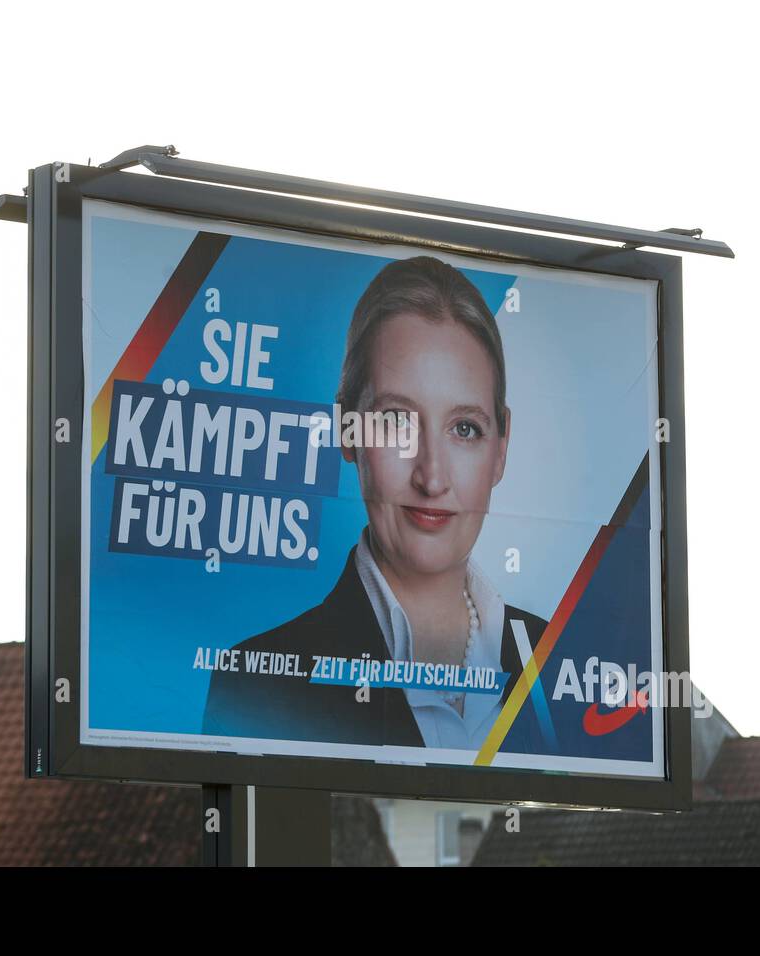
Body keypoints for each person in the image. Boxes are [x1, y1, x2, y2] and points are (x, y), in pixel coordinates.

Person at [202, 256, 547, 750]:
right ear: (348, 430)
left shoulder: (557, 663)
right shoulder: (256, 686)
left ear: (502, 445)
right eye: (397, 422)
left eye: (464, 429)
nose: (431, 476)